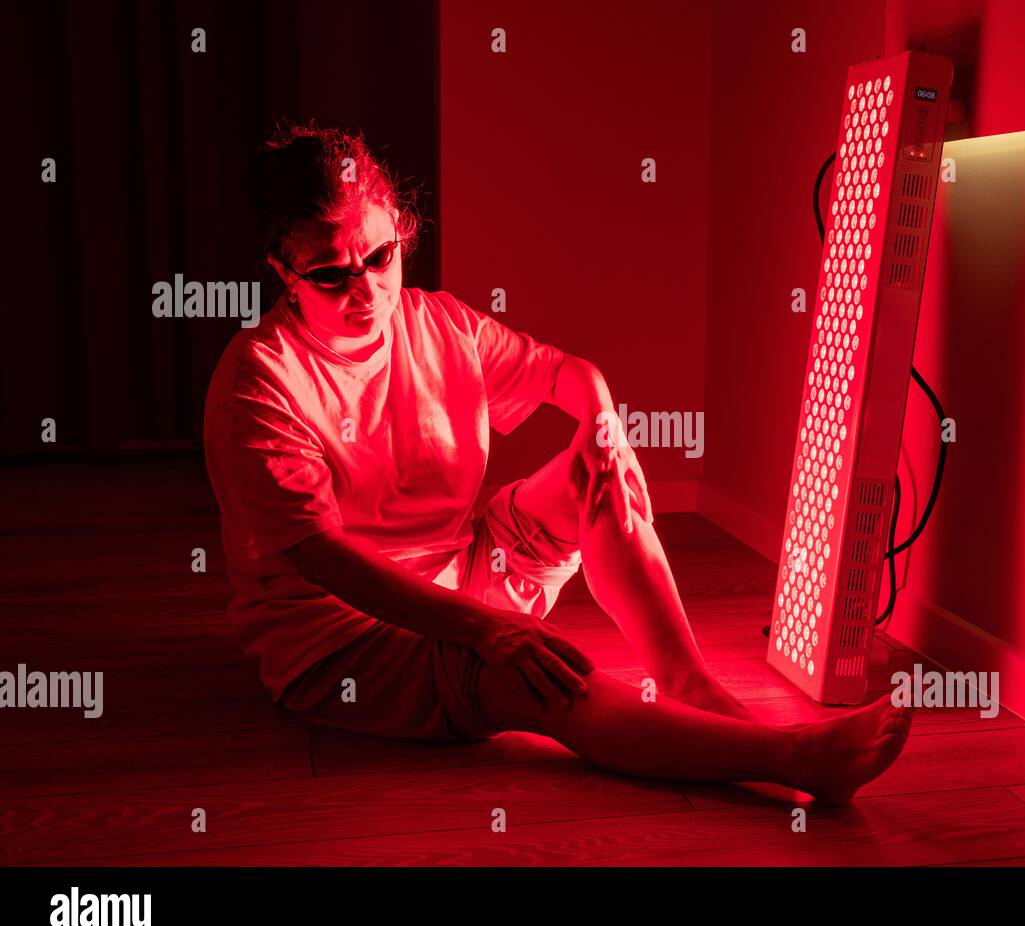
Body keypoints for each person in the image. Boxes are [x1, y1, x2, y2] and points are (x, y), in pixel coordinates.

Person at [202, 122, 911, 803]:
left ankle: (689, 682)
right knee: (546, 674)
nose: (365, 291)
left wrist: (604, 428)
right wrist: (488, 630)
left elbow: (569, 374)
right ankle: (794, 758)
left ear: (400, 229)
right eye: (329, 274)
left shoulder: (438, 322)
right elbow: (325, 559)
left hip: (465, 572)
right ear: (282, 271)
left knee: (596, 467)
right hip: (348, 638)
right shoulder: (260, 383)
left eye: (380, 258)